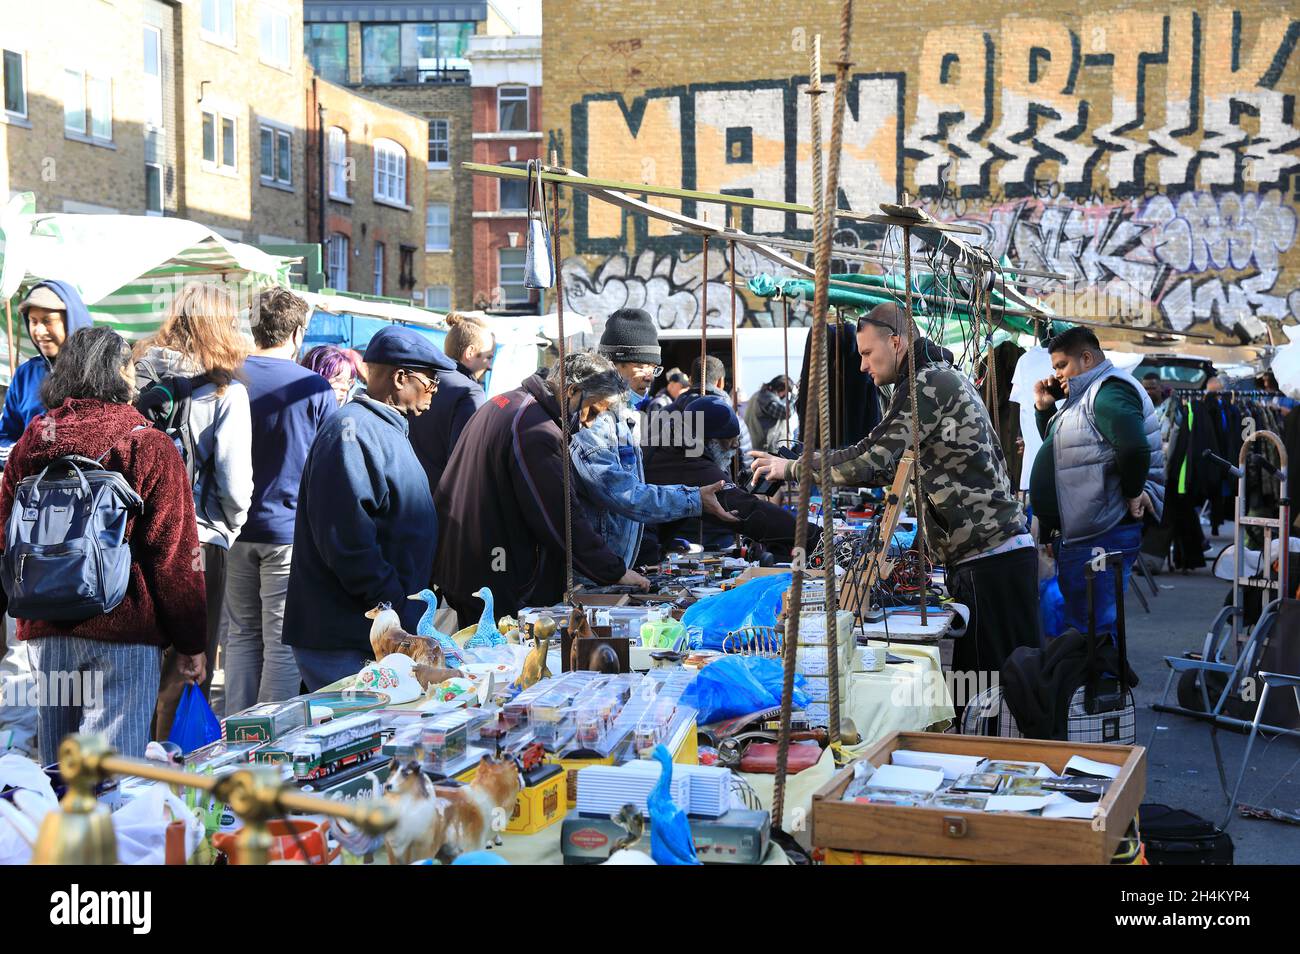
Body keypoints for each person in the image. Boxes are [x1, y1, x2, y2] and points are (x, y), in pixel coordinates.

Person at [751, 302, 1039, 680]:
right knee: (987, 694)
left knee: (998, 697)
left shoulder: (927, 384)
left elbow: (876, 463)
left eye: (868, 353)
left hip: (991, 562)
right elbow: (869, 449)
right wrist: (808, 458)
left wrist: (791, 469)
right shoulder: (932, 377)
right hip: (989, 557)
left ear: (897, 342)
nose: (862, 366)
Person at [0, 327, 206, 764]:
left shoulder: (32, 441)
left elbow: (7, 536)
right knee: (116, 775)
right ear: (118, 372)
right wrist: (190, 642)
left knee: (60, 771)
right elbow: (173, 554)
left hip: (46, 632)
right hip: (123, 633)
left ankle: (64, 835)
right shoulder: (145, 442)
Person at [283, 327, 451, 690]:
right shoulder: (352, 432)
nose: (434, 392)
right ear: (400, 377)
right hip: (348, 635)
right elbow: (348, 543)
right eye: (431, 381)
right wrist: (394, 610)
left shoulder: (383, 428)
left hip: (374, 631)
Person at [433, 353, 651, 626]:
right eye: (593, 410)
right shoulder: (535, 428)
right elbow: (560, 516)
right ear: (572, 391)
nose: (590, 423)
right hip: (493, 573)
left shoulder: (510, 402)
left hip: (466, 563)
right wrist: (612, 570)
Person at [137, 283, 253, 736]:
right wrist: (227, 530)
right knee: (190, 668)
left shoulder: (137, 378)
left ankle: (130, 773)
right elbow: (236, 485)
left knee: (141, 665)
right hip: (199, 543)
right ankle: (173, 782)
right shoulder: (224, 392)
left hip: (137, 540)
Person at [222, 288, 335, 715]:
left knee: (241, 635)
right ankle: (269, 741)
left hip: (234, 528)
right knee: (280, 641)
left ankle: (235, 733)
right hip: (287, 532)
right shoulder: (314, 387)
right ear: (297, 332)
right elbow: (326, 464)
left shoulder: (228, 379)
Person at [1030, 326, 1165, 639]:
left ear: (1086, 358)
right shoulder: (1085, 397)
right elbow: (1066, 453)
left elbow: (1132, 448)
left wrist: (1133, 493)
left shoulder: (1108, 391)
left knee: (1095, 628)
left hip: (1102, 532)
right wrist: (1045, 408)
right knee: (1087, 625)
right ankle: (1096, 684)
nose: (1057, 374)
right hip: (1088, 532)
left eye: (1062, 366)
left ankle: (1101, 687)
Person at [570, 338, 736, 580]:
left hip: (624, 564)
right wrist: (695, 500)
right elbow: (625, 493)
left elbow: (643, 482)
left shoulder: (636, 417)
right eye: (640, 365)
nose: (649, 376)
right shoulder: (596, 422)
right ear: (612, 365)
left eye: (653, 368)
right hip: (599, 572)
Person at [646, 394, 808, 562]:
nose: (736, 446)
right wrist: (812, 536)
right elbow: (746, 510)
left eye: (736, 439)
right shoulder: (688, 459)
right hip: (639, 556)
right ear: (708, 441)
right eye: (728, 441)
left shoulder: (673, 445)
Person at [0, 281, 94, 466]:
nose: (39, 331)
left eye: (47, 321)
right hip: (33, 489)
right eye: (33, 321)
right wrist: (25, 452)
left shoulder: (98, 372)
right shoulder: (25, 374)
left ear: (71, 321)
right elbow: (5, 437)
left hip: (91, 489)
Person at [408, 313, 492, 494]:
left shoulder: (419, 380)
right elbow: (465, 463)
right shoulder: (469, 392)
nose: (490, 364)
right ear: (470, 353)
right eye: (488, 357)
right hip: (443, 504)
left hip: (407, 496)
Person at [744, 375, 794, 453]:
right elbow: (786, 413)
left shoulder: (758, 395)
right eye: (785, 394)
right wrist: (793, 397)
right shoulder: (766, 398)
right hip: (764, 448)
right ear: (780, 389)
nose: (784, 397)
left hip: (754, 445)